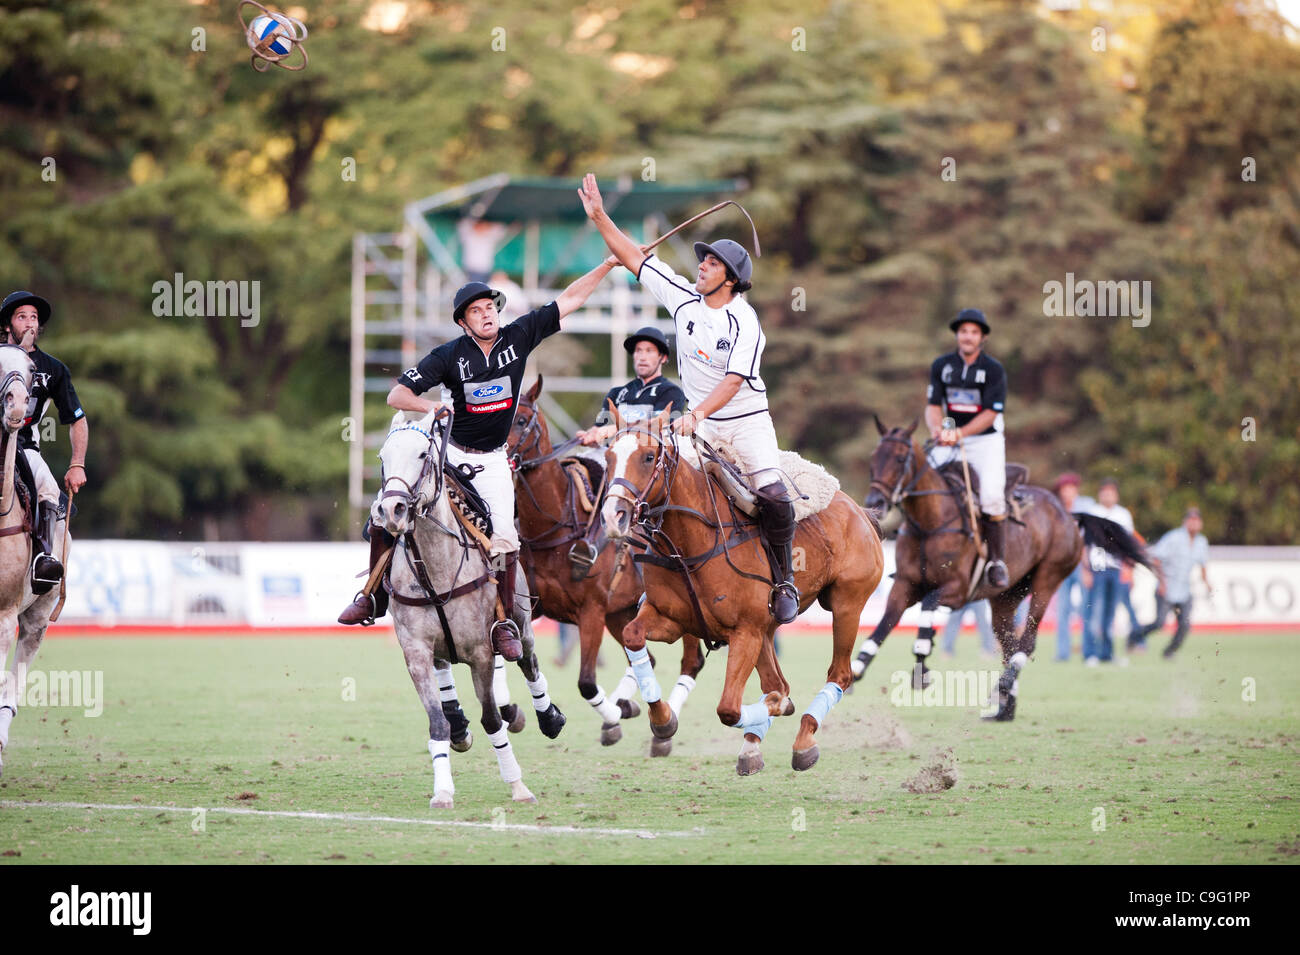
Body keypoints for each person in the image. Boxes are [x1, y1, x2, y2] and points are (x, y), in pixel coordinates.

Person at [338, 261, 618, 662]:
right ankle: (371, 598)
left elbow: (571, 299)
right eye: (477, 310)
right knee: (385, 513)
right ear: (463, 322)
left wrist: (609, 263)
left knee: (505, 538)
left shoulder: (519, 336)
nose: (487, 314)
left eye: (490, 307)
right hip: (446, 456)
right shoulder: (448, 355)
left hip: (491, 461)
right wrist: (429, 406)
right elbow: (396, 396)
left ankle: (503, 622)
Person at [577, 173, 801, 624]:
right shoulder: (683, 300)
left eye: (711, 264)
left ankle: (782, 580)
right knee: (646, 477)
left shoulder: (745, 321)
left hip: (745, 421)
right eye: (702, 262)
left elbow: (735, 381)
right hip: (699, 423)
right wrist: (601, 217)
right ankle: (654, 577)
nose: (701, 266)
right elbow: (632, 256)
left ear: (732, 278)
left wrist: (696, 413)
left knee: (776, 498)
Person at [0, 290, 88, 594]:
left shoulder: (53, 369)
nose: (29, 323)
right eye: (22, 316)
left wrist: (77, 463)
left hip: (25, 449)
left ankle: (43, 558)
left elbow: (77, 419)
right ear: (9, 324)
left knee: (48, 488)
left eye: (34, 318)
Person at [925, 308, 1010, 588]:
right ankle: (913, 543)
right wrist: (937, 429)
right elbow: (933, 406)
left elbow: (990, 414)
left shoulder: (993, 370)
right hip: (950, 438)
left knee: (991, 497)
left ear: (982, 338)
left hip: (985, 440)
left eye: (974, 332)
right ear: (957, 335)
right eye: (963, 331)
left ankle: (996, 561)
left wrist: (959, 432)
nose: (968, 336)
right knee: (921, 482)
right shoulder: (942, 365)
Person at [577, 326, 688, 444]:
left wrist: (615, 428)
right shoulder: (615, 393)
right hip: (613, 456)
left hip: (649, 458)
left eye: (649, 351)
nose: (642, 357)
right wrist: (590, 436)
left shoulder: (671, 392)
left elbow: (656, 426)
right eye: (638, 350)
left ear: (663, 358)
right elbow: (600, 428)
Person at [1131, 507, 1210, 659]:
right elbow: (1157, 558)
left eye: (1197, 521)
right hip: (1166, 588)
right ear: (1185, 522)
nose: (1194, 524)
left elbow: (1203, 563)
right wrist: (1162, 582)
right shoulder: (1173, 538)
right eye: (1191, 520)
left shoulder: (1201, 542)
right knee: (1159, 623)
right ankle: (1134, 636)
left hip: (1184, 590)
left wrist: (1207, 582)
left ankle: (1169, 651)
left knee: (1185, 625)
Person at [1083, 477, 1134, 665]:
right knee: (1093, 612)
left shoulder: (1123, 515)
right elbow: (1084, 544)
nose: (1108, 496)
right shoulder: (1092, 513)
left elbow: (1129, 544)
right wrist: (1085, 569)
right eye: (1104, 492)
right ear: (1099, 494)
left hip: (1116, 567)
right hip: (1096, 568)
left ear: (1116, 495)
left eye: (1111, 492)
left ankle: (1107, 653)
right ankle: (1090, 653)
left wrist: (1129, 569)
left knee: (1110, 613)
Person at [1052, 472, 1095, 660]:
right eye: (1064, 489)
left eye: (1070, 489)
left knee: (1087, 610)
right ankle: (1062, 654)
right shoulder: (1056, 508)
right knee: (1062, 611)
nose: (1067, 493)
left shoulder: (1087, 506)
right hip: (1062, 565)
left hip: (1082, 563)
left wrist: (1087, 569)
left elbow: (1090, 539)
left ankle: (1089, 651)